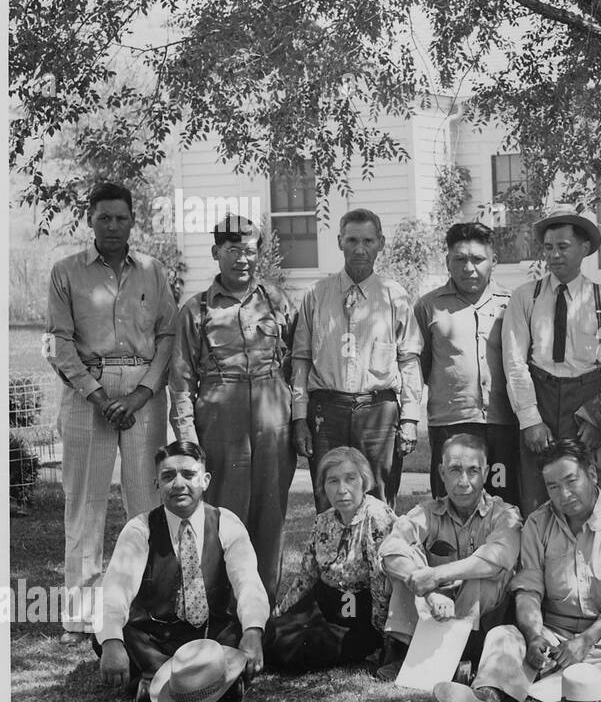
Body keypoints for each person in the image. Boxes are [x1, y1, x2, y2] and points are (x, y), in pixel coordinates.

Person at [431, 440, 601, 702]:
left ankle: (528, 688)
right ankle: (486, 697)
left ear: (592, 475)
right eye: (553, 487)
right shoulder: (538, 522)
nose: (564, 494)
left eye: (571, 481)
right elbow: (528, 592)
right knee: (504, 636)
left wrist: (585, 641)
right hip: (552, 636)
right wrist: (534, 635)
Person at [47, 181, 178, 644]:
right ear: (90, 219)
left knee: (147, 501)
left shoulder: (153, 271)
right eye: (105, 217)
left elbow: (168, 336)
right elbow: (60, 342)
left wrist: (141, 394)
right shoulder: (66, 272)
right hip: (89, 393)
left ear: (133, 221)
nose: (114, 226)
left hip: (143, 389)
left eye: (121, 217)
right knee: (86, 505)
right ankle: (81, 616)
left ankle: (147, 606)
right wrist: (99, 396)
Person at [170, 214, 296, 601]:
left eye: (250, 250)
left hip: (272, 412)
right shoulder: (197, 309)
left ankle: (264, 607)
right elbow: (180, 380)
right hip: (220, 416)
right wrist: (189, 440)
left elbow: (297, 362)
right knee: (224, 513)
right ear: (216, 253)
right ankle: (222, 606)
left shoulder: (276, 301)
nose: (243, 259)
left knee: (270, 512)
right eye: (233, 250)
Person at [95, 441, 267, 702]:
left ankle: (154, 682)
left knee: (251, 628)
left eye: (188, 474)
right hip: (157, 639)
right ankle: (211, 682)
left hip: (212, 636)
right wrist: (112, 643)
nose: (178, 484)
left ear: (205, 480)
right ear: (157, 485)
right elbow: (115, 590)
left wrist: (253, 631)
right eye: (168, 476)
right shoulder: (140, 529)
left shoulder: (226, 522)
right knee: (115, 635)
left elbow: (248, 583)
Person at [501, 208, 601, 515]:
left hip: (587, 403)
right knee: (538, 494)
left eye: (563, 246)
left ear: (584, 248)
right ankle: (543, 559)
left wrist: (599, 419)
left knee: (596, 492)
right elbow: (515, 362)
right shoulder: (526, 297)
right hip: (542, 399)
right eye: (548, 248)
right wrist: (530, 420)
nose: (554, 255)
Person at [291, 208, 423, 511]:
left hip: (378, 408)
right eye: (352, 240)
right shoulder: (317, 295)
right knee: (330, 496)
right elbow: (301, 360)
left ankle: (379, 558)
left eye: (368, 240)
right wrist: (300, 418)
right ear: (339, 242)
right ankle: (331, 558)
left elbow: (409, 361)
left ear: (381, 243)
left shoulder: (395, 296)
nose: (360, 249)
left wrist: (411, 419)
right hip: (327, 408)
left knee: (378, 499)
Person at [376, 433, 523, 681]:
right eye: (455, 470)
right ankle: (406, 653)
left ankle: (461, 656)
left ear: (486, 473)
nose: (463, 481)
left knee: (483, 573)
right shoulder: (427, 512)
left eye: (473, 471)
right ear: (442, 473)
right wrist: (427, 589)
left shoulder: (504, 514)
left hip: (484, 616)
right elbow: (390, 550)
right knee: (406, 558)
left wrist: (435, 575)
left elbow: (497, 558)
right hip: (436, 607)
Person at [413, 221, 519, 508]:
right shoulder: (428, 306)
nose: (469, 267)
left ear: (493, 261)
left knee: (502, 504)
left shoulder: (513, 304)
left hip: (502, 423)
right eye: (459, 259)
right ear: (447, 262)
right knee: (450, 506)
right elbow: (419, 366)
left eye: (478, 259)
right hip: (450, 423)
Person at [264, 446, 396, 671]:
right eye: (333, 481)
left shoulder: (377, 517)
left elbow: (380, 585)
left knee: (298, 653)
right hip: (326, 600)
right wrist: (281, 612)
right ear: (323, 487)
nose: (342, 490)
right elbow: (307, 575)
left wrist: (384, 640)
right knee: (272, 637)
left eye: (350, 479)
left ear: (364, 481)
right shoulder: (323, 520)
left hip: (361, 608)